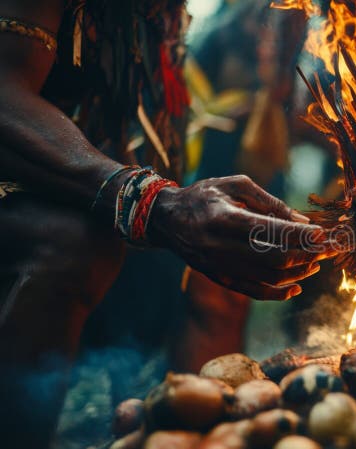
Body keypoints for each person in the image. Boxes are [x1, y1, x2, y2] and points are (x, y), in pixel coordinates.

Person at [0, 1, 337, 446]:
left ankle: (187, 432)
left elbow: (259, 104)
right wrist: (152, 203)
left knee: (224, 268)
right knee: (77, 243)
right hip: (42, 194)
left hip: (127, 192)